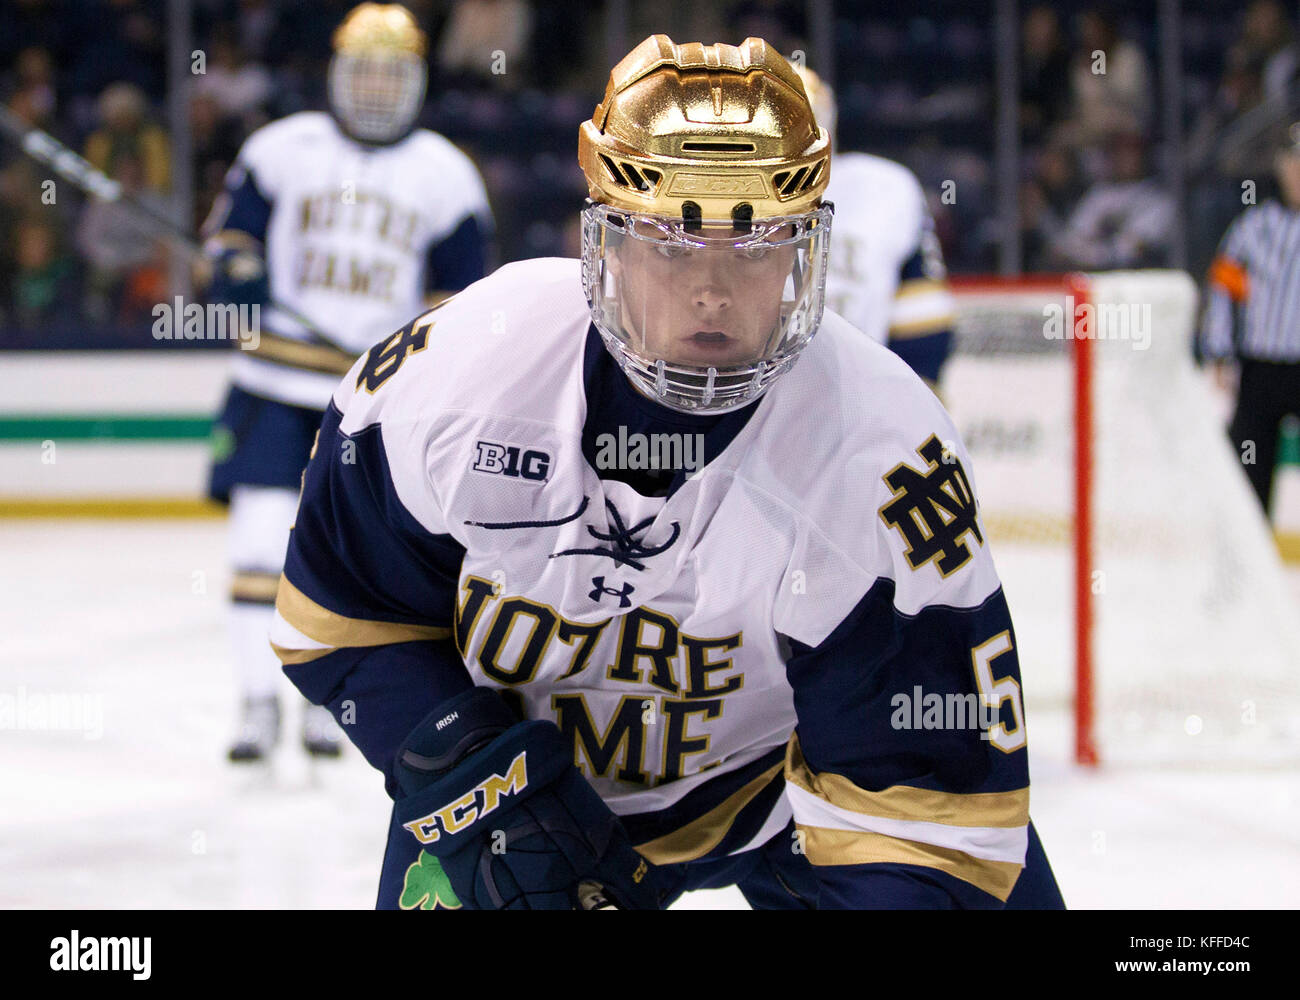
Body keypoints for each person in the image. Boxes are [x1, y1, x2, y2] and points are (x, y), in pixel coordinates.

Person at [270, 34, 1064, 909]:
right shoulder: (460, 373)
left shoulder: (880, 455)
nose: (713, 292)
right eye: (671, 243)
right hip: (506, 794)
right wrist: (465, 771)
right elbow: (342, 614)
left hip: (791, 793)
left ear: (807, 251)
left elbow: (927, 819)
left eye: (756, 245)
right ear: (605, 244)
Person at [201, 2, 493, 762]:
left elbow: (461, 303)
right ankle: (256, 704)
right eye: (361, 70)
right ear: (334, 74)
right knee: (258, 545)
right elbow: (229, 242)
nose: (373, 88)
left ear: (418, 81)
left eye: (389, 73)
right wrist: (234, 269)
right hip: (273, 382)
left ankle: (325, 705)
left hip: (369, 403)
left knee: (348, 562)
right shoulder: (278, 149)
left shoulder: (447, 176)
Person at [794, 65, 956, 392]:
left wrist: (913, 400)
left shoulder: (884, 187)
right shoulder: (707, 197)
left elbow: (923, 315)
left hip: (855, 394)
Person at [1200, 121, 1300, 519]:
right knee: (1247, 477)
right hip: (1261, 370)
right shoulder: (1255, 227)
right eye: (1292, 162)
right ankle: (1249, 567)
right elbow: (1224, 290)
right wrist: (1220, 351)